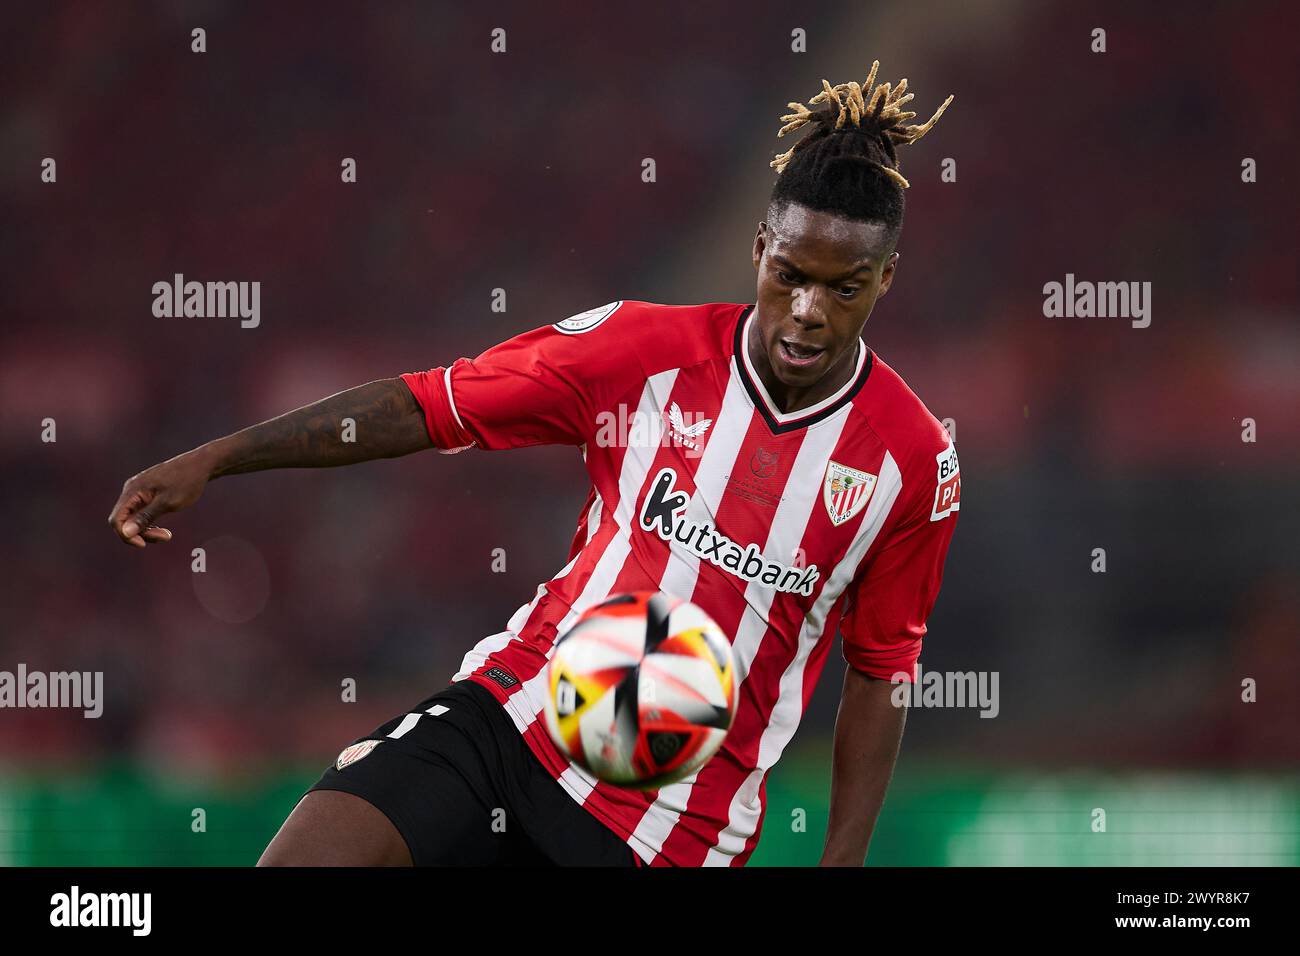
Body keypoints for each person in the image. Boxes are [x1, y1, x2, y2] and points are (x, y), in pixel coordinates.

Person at [108, 61, 960, 867]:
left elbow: (882, 673)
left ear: (886, 277)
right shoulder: (643, 351)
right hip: (517, 719)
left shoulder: (912, 461)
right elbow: (428, 406)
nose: (807, 311)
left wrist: (843, 860)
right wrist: (219, 458)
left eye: (843, 287)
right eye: (790, 275)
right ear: (760, 247)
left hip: (669, 827)